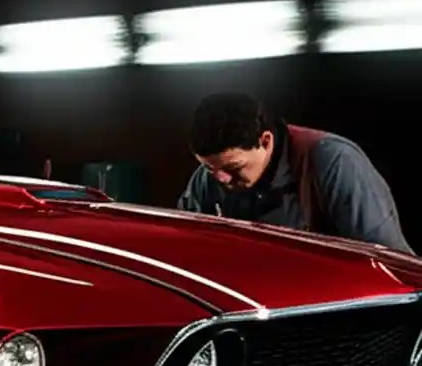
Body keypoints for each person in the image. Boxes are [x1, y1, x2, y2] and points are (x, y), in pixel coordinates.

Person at [176, 92, 413, 253]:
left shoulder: (333, 161)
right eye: (210, 168)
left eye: (234, 168)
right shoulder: (206, 181)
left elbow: (388, 259)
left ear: (265, 141)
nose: (221, 180)